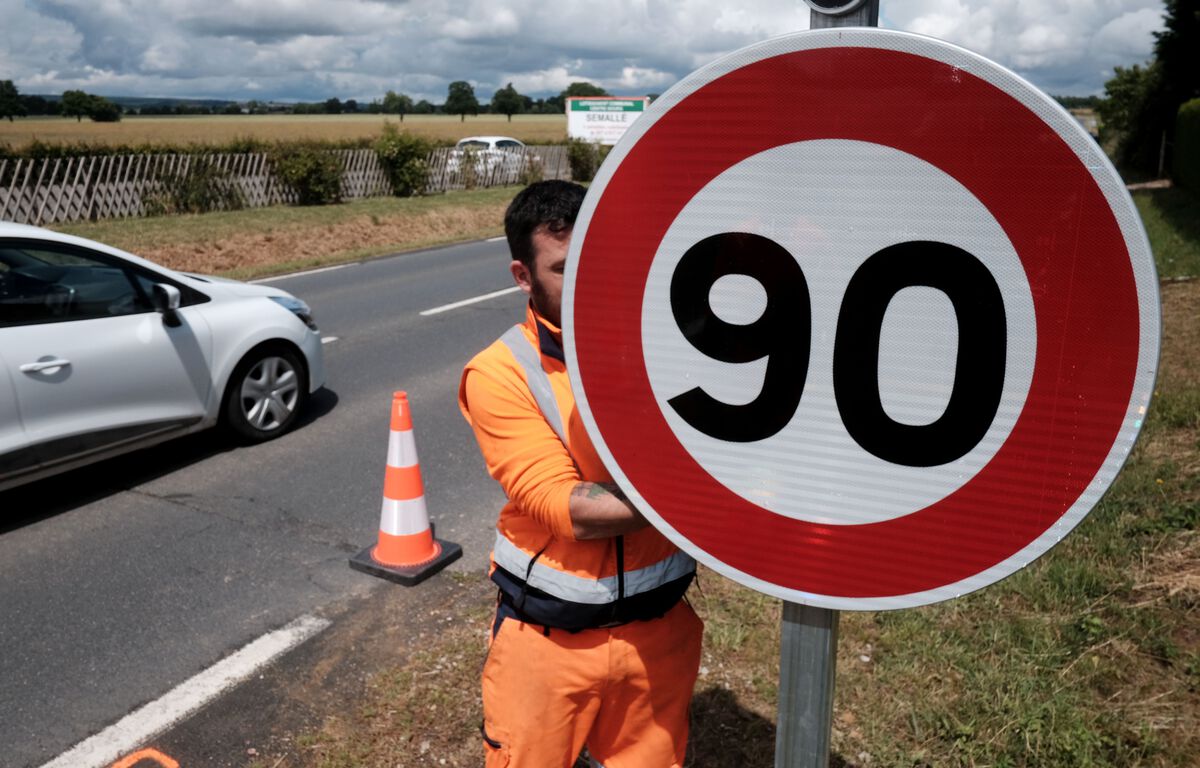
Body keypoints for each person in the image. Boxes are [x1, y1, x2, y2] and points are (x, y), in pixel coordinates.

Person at [458, 180, 703, 767]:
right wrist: (704, 492)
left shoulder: (666, 348)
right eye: (567, 269)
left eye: (598, 261)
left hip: (660, 633)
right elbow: (572, 511)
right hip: (546, 647)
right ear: (524, 276)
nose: (590, 282)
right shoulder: (500, 372)